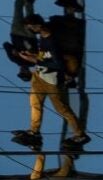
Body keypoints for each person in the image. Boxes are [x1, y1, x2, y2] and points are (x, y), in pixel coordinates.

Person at [11, 15, 88, 147]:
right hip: (39, 76)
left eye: (30, 28)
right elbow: (45, 57)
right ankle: (34, 132)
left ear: (37, 26)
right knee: (35, 104)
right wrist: (32, 56)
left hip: (51, 81)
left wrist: (34, 60)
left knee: (62, 109)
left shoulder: (52, 41)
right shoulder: (43, 36)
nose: (30, 30)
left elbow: (59, 65)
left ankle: (80, 135)